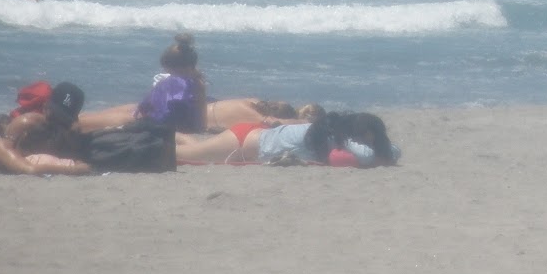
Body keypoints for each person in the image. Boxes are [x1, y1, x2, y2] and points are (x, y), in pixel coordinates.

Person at [173, 108, 399, 167]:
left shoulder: (331, 130)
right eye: (368, 138)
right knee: (178, 155)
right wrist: (381, 151)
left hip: (252, 135)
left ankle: (176, 135)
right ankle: (163, 136)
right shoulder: (340, 138)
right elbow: (369, 156)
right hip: (244, 143)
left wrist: (382, 145)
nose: (369, 143)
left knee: (198, 148)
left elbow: (395, 150)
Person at [77, 32, 210, 132]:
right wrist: (199, 130)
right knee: (129, 111)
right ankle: (82, 119)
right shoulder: (197, 81)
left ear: (173, 67)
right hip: (187, 126)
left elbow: (157, 107)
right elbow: (201, 118)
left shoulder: (173, 83)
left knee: (127, 117)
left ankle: (79, 122)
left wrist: (142, 112)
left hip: (164, 124)